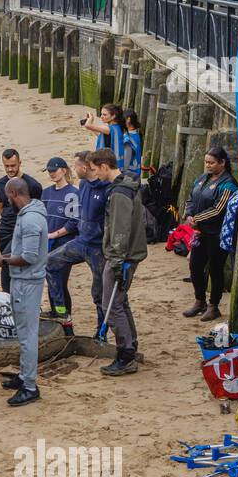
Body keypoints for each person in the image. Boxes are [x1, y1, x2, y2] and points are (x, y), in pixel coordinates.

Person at [0, 179, 48, 407]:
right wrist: (6, 259)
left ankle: (30, 386)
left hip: (27, 282)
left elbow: (30, 257)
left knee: (27, 335)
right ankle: (25, 375)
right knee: (24, 332)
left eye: (8, 198)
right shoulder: (29, 215)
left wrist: (4, 261)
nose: (7, 203)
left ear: (14, 193)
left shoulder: (31, 219)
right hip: (23, 280)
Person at [93, 149, 147, 375]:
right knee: (120, 302)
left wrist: (115, 263)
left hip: (122, 257)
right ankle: (131, 347)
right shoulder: (128, 184)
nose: (95, 174)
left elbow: (119, 231)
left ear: (105, 166)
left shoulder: (118, 193)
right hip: (127, 255)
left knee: (111, 306)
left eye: (96, 169)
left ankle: (125, 355)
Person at [45, 152, 108, 337]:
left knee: (99, 292)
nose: (74, 168)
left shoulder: (106, 188)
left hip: (98, 248)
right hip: (81, 242)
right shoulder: (83, 185)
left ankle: (101, 332)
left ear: (85, 167)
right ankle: (62, 314)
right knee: (50, 263)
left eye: (76, 165)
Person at [182, 147, 238, 323]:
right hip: (201, 232)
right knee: (195, 266)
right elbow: (191, 198)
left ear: (222, 163)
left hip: (217, 234)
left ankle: (213, 306)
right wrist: (189, 214)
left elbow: (218, 209)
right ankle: (199, 300)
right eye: (206, 162)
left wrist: (197, 219)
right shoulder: (202, 179)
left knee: (216, 269)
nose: (208, 165)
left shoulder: (228, 184)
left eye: (211, 162)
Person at [0, 150, 42, 293]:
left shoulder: (32, 185)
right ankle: (7, 297)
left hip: (23, 230)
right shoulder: (0, 184)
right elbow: (0, 206)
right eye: (6, 166)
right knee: (7, 266)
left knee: (14, 264)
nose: (10, 169)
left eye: (13, 165)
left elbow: (37, 211)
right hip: (4, 232)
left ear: (20, 163)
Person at [40, 158, 81, 319]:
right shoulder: (46, 192)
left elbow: (73, 222)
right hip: (48, 244)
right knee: (51, 280)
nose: (51, 174)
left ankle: (65, 315)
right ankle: (56, 312)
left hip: (64, 243)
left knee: (60, 282)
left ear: (64, 170)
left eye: (54, 170)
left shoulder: (73, 193)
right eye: (49, 171)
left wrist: (55, 234)